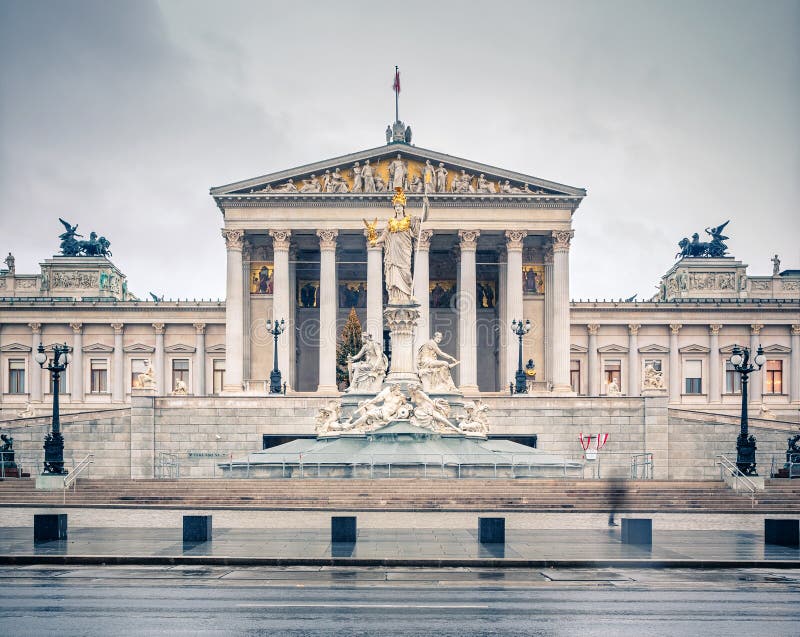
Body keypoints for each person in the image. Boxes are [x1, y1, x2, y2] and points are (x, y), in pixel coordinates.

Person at [373, 188, 420, 305]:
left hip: (404, 249)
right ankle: (394, 296)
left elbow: (418, 228)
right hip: (393, 251)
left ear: (403, 207)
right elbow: (384, 237)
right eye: (396, 206)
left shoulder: (409, 219)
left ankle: (408, 294)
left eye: (400, 206)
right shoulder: (391, 222)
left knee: (406, 272)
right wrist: (375, 241)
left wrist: (426, 206)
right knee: (393, 272)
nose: (398, 208)